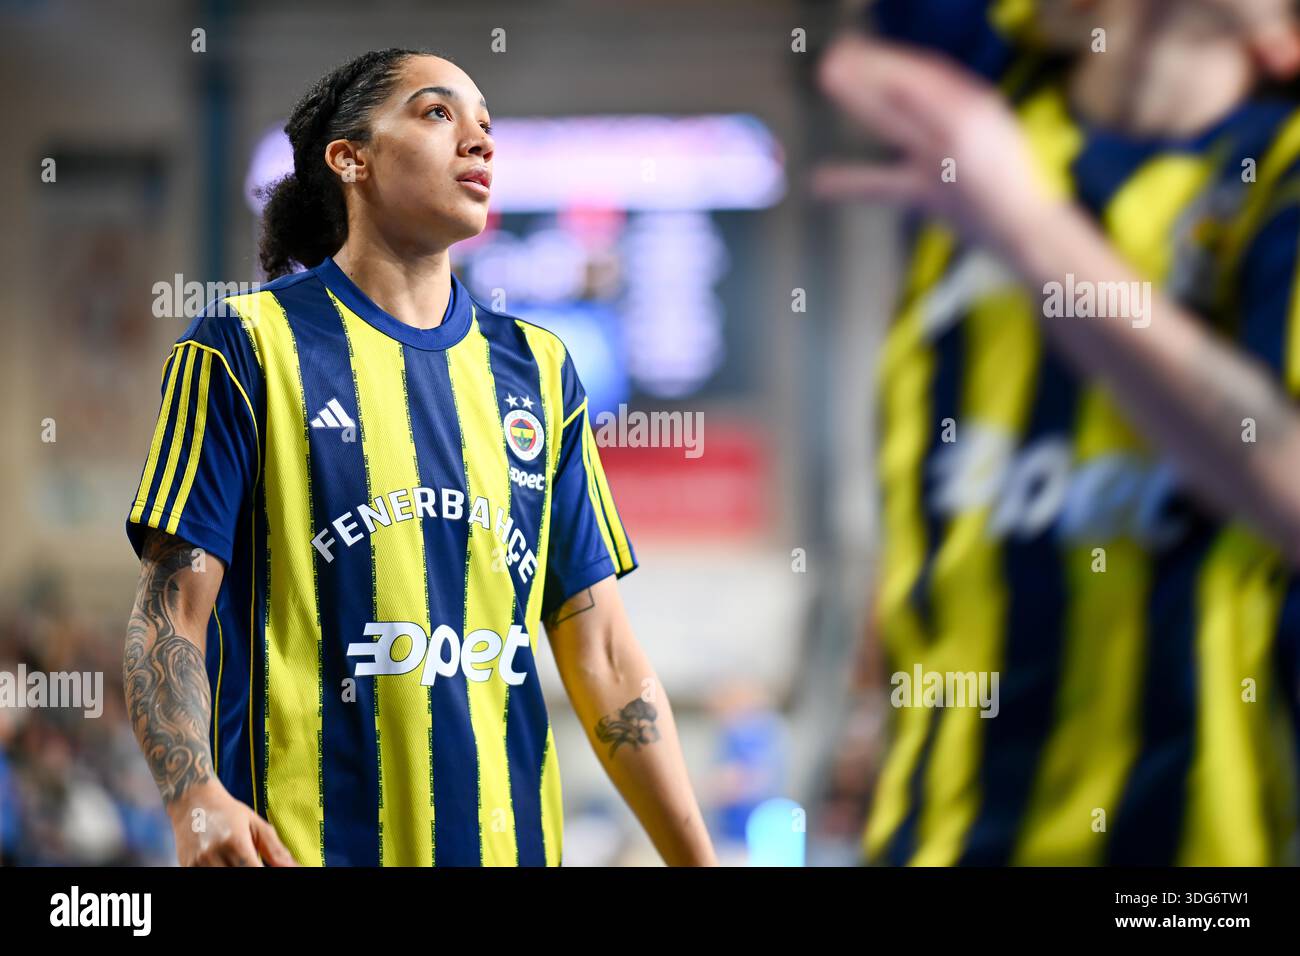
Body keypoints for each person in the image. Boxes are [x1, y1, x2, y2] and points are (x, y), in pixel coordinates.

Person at [122, 48, 716, 867]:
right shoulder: (243, 347)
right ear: (350, 158)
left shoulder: (539, 371)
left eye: (486, 124)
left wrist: (698, 861)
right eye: (438, 113)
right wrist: (193, 798)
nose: (480, 140)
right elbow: (169, 616)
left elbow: (606, 656)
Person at [816, 0, 1300, 864]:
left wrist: (1027, 226)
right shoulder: (996, 88)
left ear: (1281, 39)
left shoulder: (1278, 176)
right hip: (938, 842)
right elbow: (852, 59)